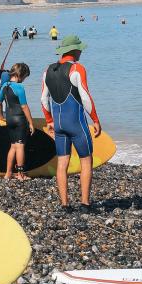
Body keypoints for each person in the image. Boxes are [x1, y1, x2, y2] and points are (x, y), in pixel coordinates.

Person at [40, 35, 101, 209]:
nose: (81, 52)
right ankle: (85, 203)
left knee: (62, 163)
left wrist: (49, 120)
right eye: (79, 49)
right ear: (74, 51)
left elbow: (43, 99)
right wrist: (95, 120)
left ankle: (65, 204)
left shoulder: (47, 70)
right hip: (76, 125)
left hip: (59, 125)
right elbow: (85, 97)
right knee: (86, 161)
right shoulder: (77, 69)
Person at [0, 62, 34, 179]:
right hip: (20, 120)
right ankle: (21, 174)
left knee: (13, 146)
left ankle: (8, 173)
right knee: (20, 146)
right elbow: (24, 106)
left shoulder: (4, 86)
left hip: (9, 119)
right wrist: (31, 122)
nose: (24, 80)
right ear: (20, 75)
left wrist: (0, 116)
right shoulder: (19, 87)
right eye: (25, 77)